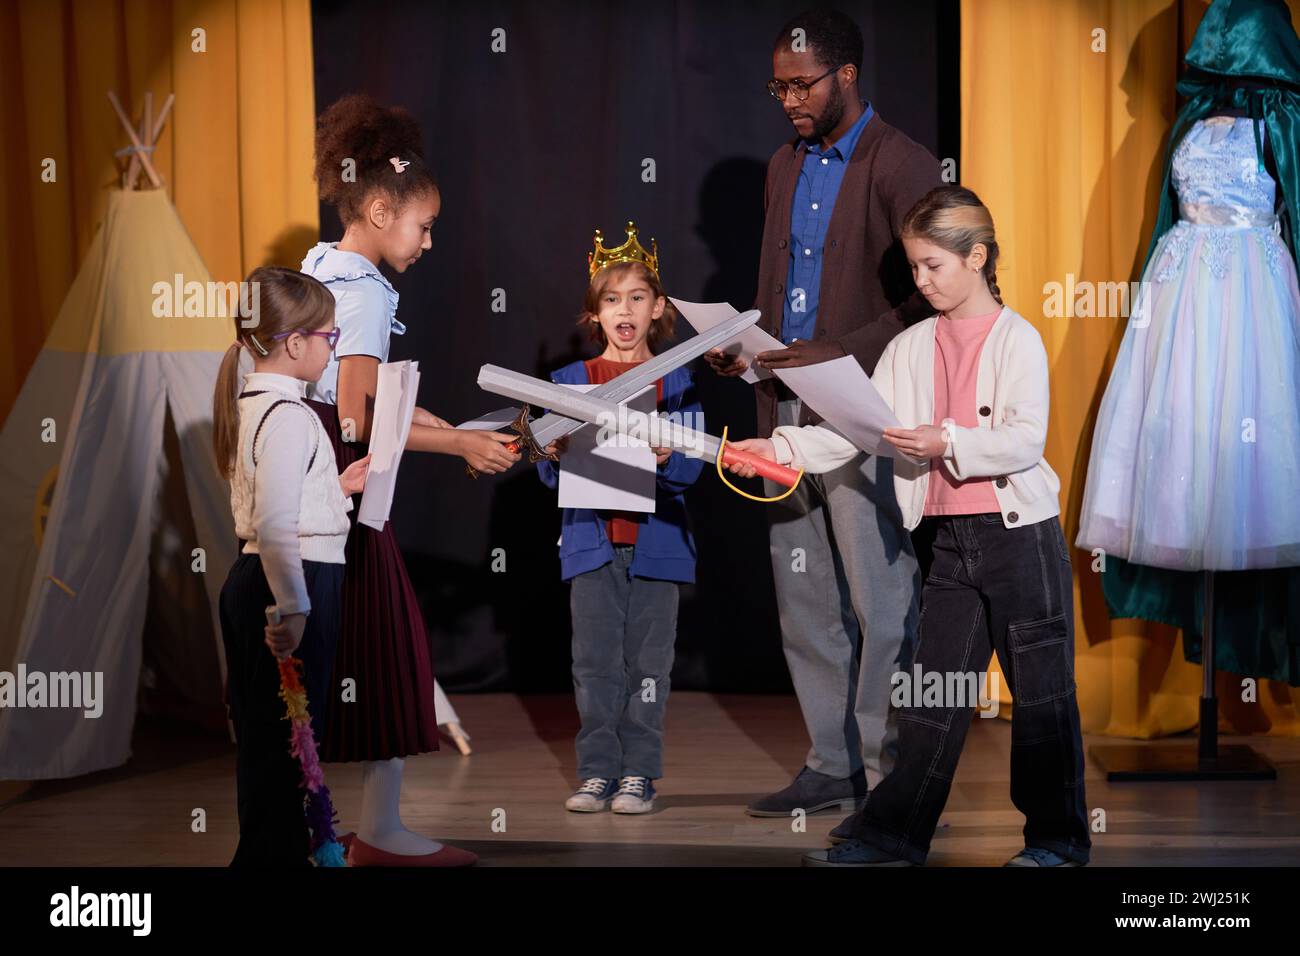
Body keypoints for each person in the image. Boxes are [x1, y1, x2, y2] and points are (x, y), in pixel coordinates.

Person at [728, 186, 1091, 867]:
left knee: (1043, 697)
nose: (920, 281)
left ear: (977, 257)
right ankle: (891, 835)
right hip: (949, 546)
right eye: (914, 267)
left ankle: (1057, 842)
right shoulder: (911, 345)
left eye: (933, 266)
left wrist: (945, 441)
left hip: (1020, 542)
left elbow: (1023, 442)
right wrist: (779, 451)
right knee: (933, 697)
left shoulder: (1019, 340)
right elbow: (860, 432)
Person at [704, 7, 938, 836]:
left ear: (847, 75)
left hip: (861, 405)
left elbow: (929, 298)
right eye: (779, 85)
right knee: (804, 594)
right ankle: (832, 763)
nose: (789, 100)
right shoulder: (784, 163)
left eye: (802, 84)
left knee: (881, 597)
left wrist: (839, 350)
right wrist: (748, 348)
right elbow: (781, 283)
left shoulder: (901, 162)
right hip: (786, 402)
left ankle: (890, 775)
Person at [296, 93, 519, 866]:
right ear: (382, 208)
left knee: (343, 656)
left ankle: (339, 829)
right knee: (383, 649)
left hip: (317, 488)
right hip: (346, 492)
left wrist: (458, 433)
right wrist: (455, 444)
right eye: (423, 226)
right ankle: (371, 833)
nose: (427, 242)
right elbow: (356, 421)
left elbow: (374, 401)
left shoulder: (323, 267)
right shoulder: (358, 295)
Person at [537, 224, 704, 814]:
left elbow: (693, 469)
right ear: (595, 314)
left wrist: (669, 454)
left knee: (650, 665)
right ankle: (597, 772)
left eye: (637, 297)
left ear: (657, 307)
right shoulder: (568, 383)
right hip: (592, 542)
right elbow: (551, 477)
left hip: (658, 545)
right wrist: (552, 454)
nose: (624, 310)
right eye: (611, 300)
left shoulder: (678, 379)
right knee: (594, 663)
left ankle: (639, 773)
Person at [212, 266, 371, 866]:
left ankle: (272, 854)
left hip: (274, 578)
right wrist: (297, 608)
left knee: (277, 745)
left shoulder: (260, 407)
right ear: (296, 343)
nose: (334, 350)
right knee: (283, 747)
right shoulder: (287, 417)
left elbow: (284, 504)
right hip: (290, 582)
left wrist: (337, 487)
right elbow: (277, 526)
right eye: (331, 339)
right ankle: (269, 860)